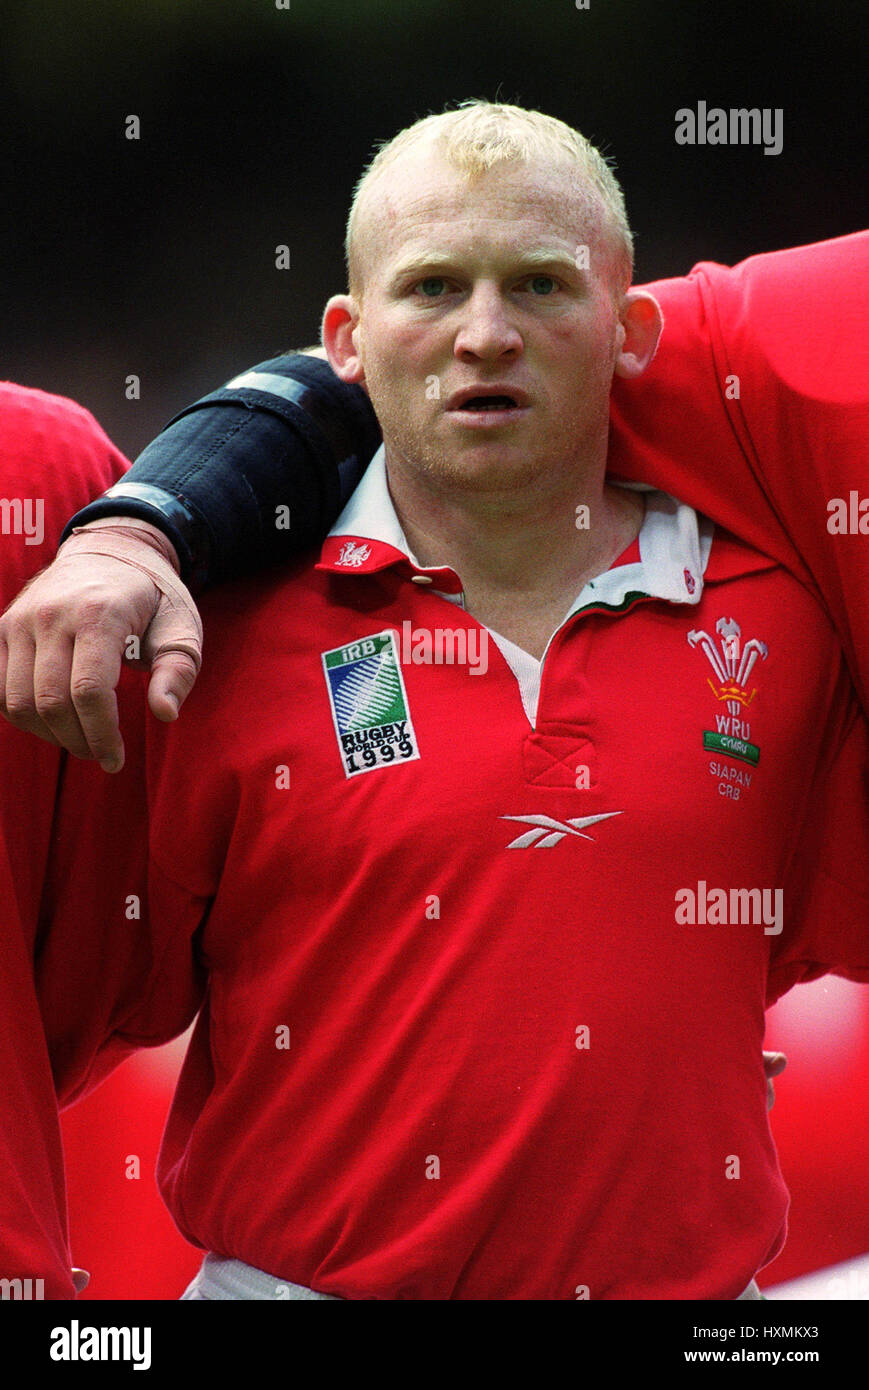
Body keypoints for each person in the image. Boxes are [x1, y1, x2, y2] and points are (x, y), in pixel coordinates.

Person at [35, 103, 868, 1300]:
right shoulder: (205, 634)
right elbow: (80, 998)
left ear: (632, 330)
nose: (486, 335)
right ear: (344, 338)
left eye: (538, 285)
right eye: (432, 287)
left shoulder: (784, 613)